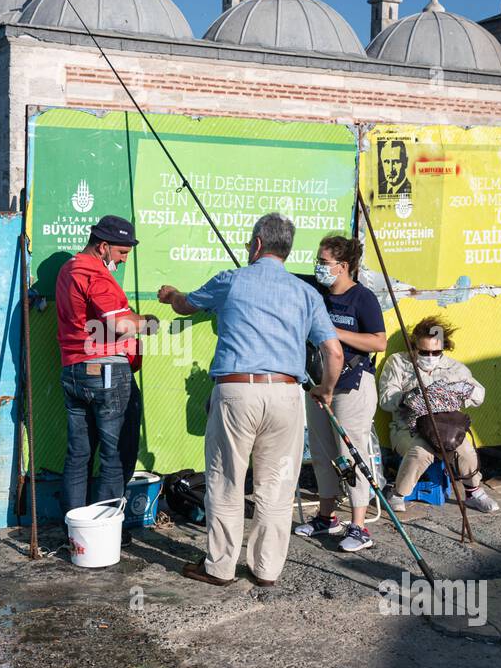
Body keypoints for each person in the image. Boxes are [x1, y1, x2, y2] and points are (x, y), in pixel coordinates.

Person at [158, 213, 342, 587]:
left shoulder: (231, 280)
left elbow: (185, 306)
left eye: (248, 243)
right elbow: (334, 352)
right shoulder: (307, 293)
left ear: (257, 244)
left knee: (225, 480)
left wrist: (171, 294)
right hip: (287, 394)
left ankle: (220, 567)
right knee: (276, 486)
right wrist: (325, 390)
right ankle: (266, 570)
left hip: (237, 391)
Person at [54, 214, 158, 517]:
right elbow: (120, 323)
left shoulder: (67, 269)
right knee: (117, 455)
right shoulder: (95, 274)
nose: (124, 260)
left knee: (79, 454)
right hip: (108, 373)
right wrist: (148, 322)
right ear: (102, 247)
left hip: (74, 370)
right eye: (121, 252)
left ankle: (74, 528)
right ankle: (106, 528)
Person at [296, 234, 387, 552]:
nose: (318, 267)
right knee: (321, 453)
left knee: (350, 456)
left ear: (343, 266)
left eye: (324, 262)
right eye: (318, 261)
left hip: (352, 386)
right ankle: (326, 516)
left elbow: (378, 342)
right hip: (318, 384)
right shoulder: (316, 291)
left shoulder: (362, 299)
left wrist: (337, 332)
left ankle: (359, 525)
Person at [377, 315, 499, 513]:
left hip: (445, 428)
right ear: (414, 346)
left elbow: (478, 395)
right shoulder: (398, 363)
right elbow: (385, 400)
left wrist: (458, 391)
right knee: (420, 452)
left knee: (466, 451)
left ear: (444, 348)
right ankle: (398, 494)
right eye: (424, 352)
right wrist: (408, 397)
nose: (430, 357)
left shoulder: (455, 368)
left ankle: (473, 492)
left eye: (436, 352)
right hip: (408, 428)